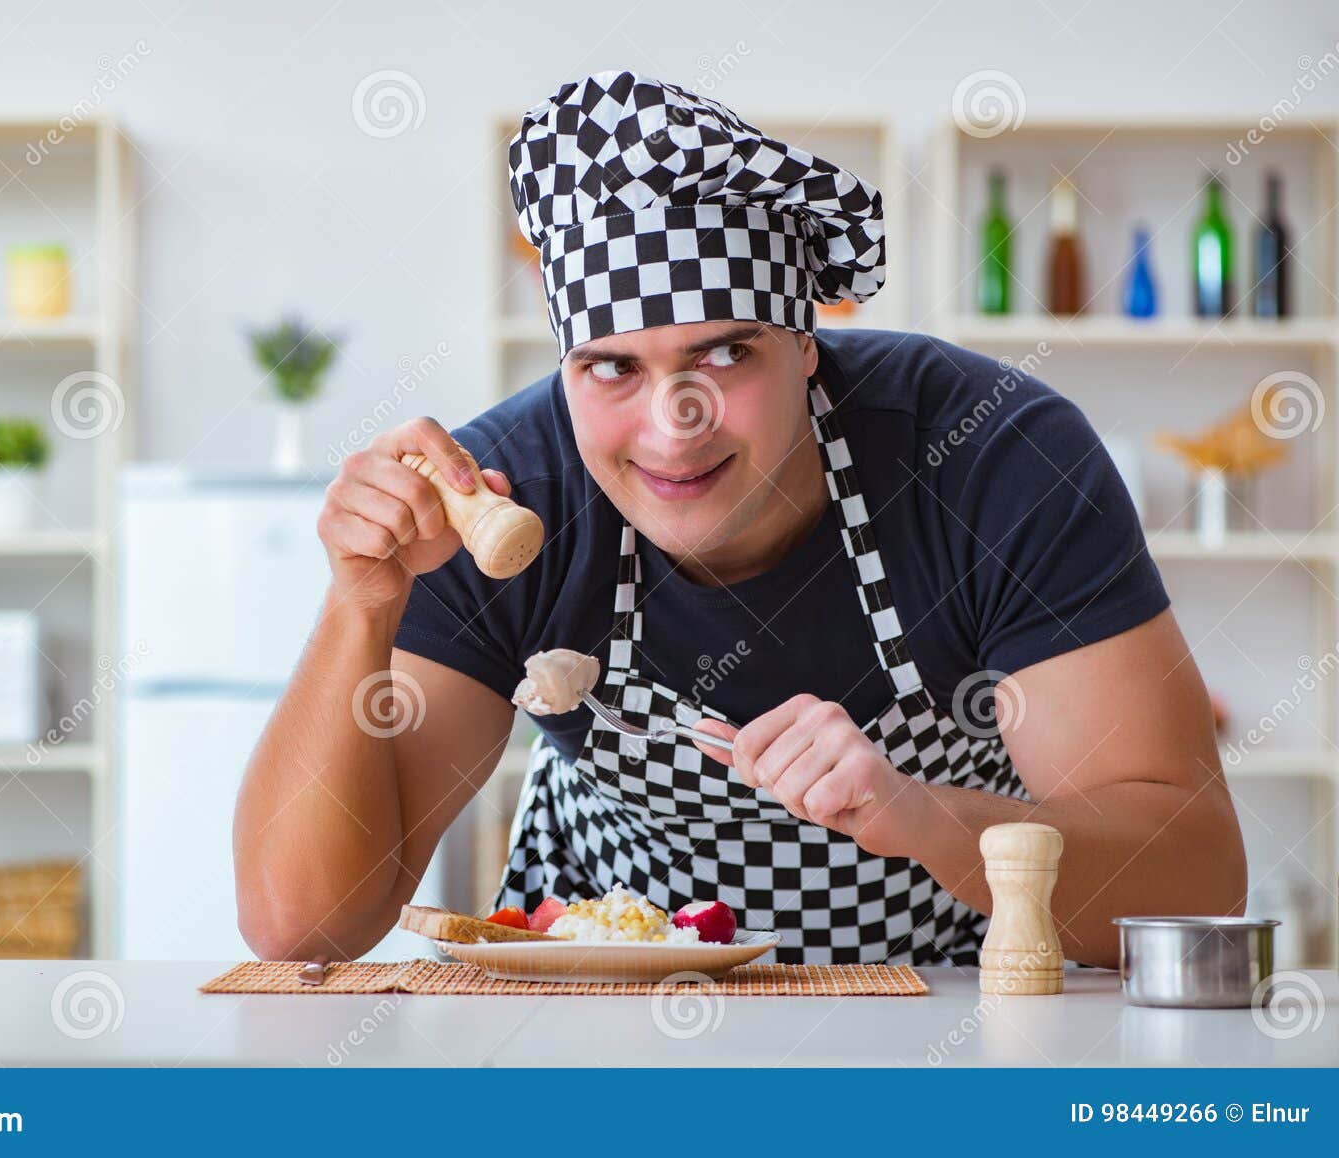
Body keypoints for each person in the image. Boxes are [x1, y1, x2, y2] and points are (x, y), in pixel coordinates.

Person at [234, 69, 1244, 966]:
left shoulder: (992, 457)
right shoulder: (500, 495)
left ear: (806, 345)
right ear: (565, 369)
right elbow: (302, 926)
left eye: (723, 356)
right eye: (612, 368)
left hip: (948, 1013)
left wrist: (919, 815)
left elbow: (1195, 882)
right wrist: (359, 606)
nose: (674, 429)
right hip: (597, 1022)